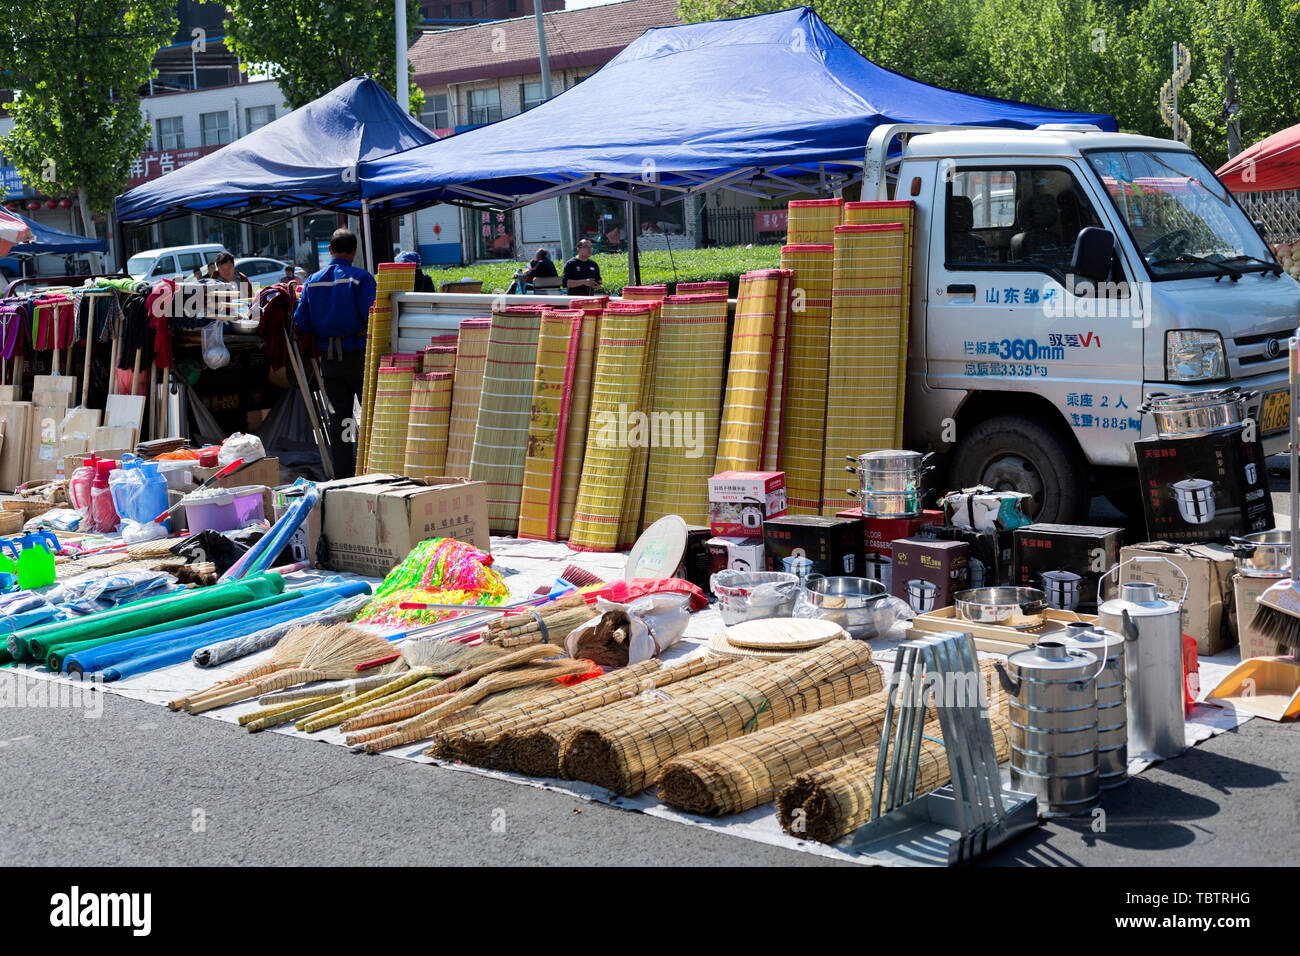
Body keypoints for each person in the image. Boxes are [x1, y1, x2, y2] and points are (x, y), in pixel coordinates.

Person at [292, 229, 377, 478]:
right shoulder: (361, 279)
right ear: (354, 251)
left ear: (330, 250)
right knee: (370, 416)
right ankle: (372, 468)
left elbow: (301, 321)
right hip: (359, 357)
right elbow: (371, 316)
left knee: (341, 418)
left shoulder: (312, 281)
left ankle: (345, 473)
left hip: (329, 361)